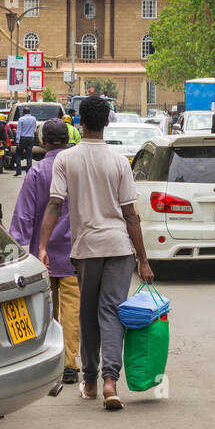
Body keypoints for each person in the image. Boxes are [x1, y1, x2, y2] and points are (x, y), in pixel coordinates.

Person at [38, 95, 155, 411]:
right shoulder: (119, 161)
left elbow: (54, 203)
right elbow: (131, 215)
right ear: (106, 123)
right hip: (119, 247)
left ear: (80, 122)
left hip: (86, 249)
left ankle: (89, 382)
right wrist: (142, 260)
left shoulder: (66, 159)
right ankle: (109, 382)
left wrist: (43, 246)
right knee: (112, 311)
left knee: (88, 313)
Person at [10, 119, 80, 384]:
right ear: (67, 139)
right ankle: (71, 362)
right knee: (73, 309)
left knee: (45, 308)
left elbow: (24, 217)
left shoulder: (37, 172)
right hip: (75, 252)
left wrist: (15, 252)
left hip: (42, 255)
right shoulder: (77, 169)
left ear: (43, 142)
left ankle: (50, 359)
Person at [15, 106, 37, 175]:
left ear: (24, 112)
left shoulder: (21, 119)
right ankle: (29, 171)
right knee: (29, 155)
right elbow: (35, 129)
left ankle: (19, 171)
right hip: (31, 138)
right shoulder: (34, 119)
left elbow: (19, 131)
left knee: (18, 154)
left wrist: (17, 141)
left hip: (23, 138)